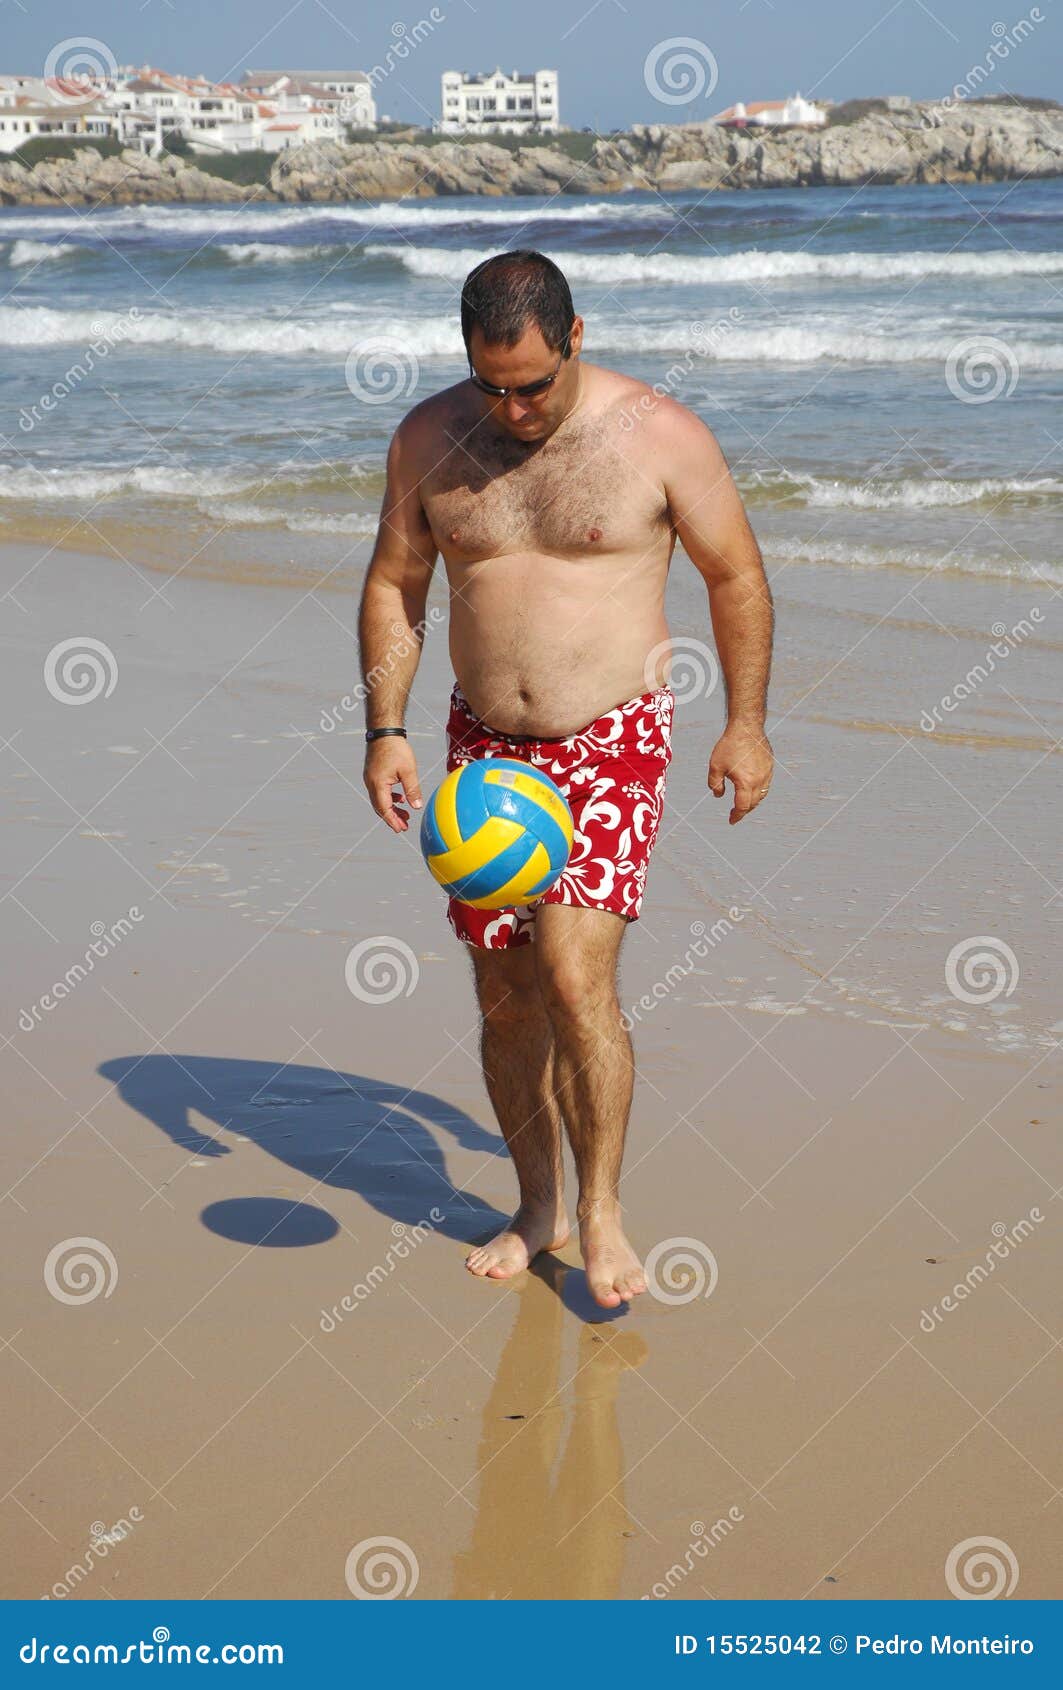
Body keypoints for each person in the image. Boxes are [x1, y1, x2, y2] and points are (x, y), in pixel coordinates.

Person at [359, 250, 774, 1309]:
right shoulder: (429, 438)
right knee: (504, 997)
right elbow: (397, 581)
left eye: (534, 385)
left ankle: (601, 1210)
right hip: (483, 751)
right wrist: (385, 727)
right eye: (492, 384)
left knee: (574, 976)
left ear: (576, 336)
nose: (514, 408)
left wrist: (745, 725)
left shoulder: (662, 437)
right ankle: (535, 1201)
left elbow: (734, 574)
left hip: (611, 736)